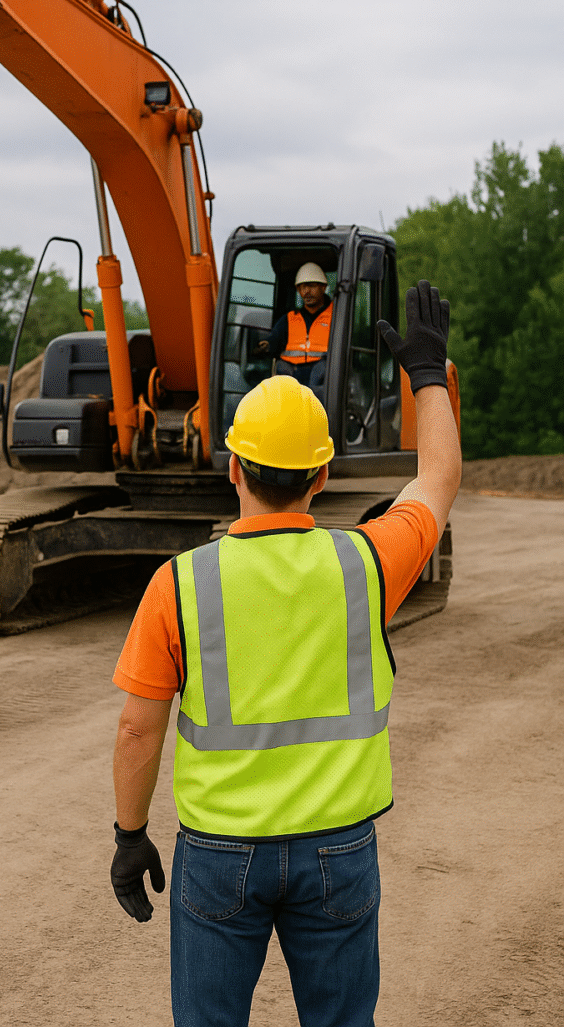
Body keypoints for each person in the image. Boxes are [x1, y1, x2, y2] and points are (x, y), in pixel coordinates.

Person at [110, 281, 461, 1027]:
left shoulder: (178, 584)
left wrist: (129, 833)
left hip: (218, 853)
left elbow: (138, 728)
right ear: (323, 474)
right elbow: (437, 479)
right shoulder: (365, 563)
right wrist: (427, 375)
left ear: (233, 468)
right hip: (339, 849)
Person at [258, 262, 333, 400]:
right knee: (280, 371)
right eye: (302, 287)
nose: (306, 292)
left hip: (321, 373)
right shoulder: (290, 318)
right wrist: (267, 344)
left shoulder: (336, 316)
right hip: (292, 371)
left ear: (323, 287)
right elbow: (275, 338)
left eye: (311, 286)